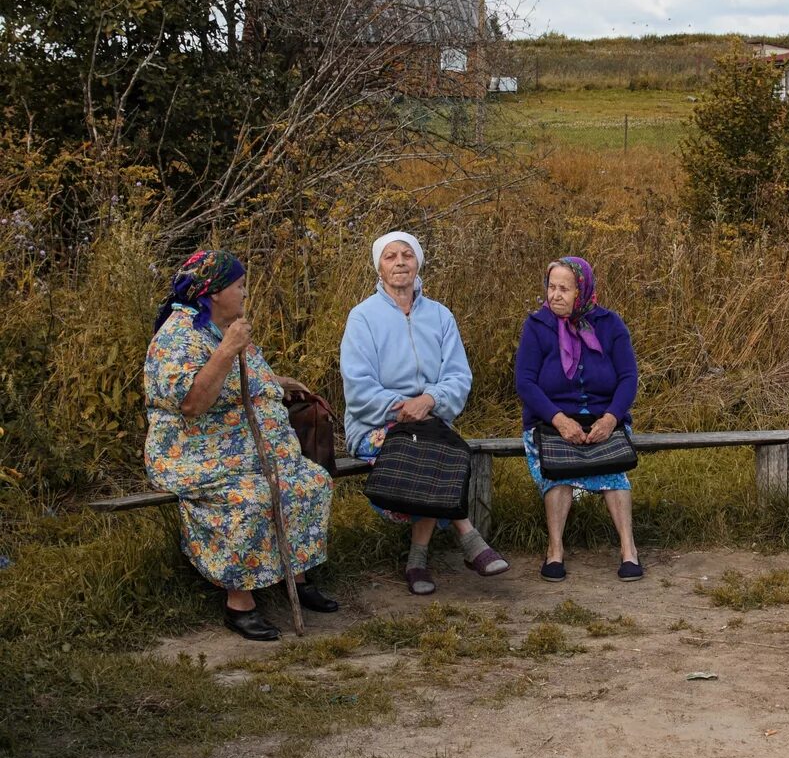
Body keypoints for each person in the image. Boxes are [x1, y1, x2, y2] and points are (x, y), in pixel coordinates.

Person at [144, 250, 339, 641]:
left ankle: (294, 576)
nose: (245, 292)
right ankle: (240, 602)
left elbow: (245, 380)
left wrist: (279, 382)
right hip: (200, 456)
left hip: (254, 452)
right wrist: (227, 350)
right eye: (239, 285)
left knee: (310, 483)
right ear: (214, 292)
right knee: (249, 499)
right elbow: (192, 403)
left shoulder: (225, 325)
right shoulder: (178, 337)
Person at [340, 230, 508, 595]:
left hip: (431, 419)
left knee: (435, 449)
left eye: (407, 255)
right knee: (427, 454)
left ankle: (417, 561)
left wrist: (429, 400)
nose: (400, 262)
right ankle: (465, 538)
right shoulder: (362, 318)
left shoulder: (441, 316)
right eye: (390, 257)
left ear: (418, 262)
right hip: (374, 422)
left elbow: (458, 376)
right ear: (379, 267)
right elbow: (358, 385)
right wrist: (405, 407)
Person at [515, 256, 641, 583]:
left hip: (603, 419)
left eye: (564, 289)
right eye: (551, 287)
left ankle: (629, 551)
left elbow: (628, 377)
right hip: (550, 422)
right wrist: (559, 420)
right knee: (558, 474)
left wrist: (611, 419)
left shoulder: (611, 324)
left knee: (614, 472)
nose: (555, 295)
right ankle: (554, 551)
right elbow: (525, 382)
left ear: (581, 290)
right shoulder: (537, 325)